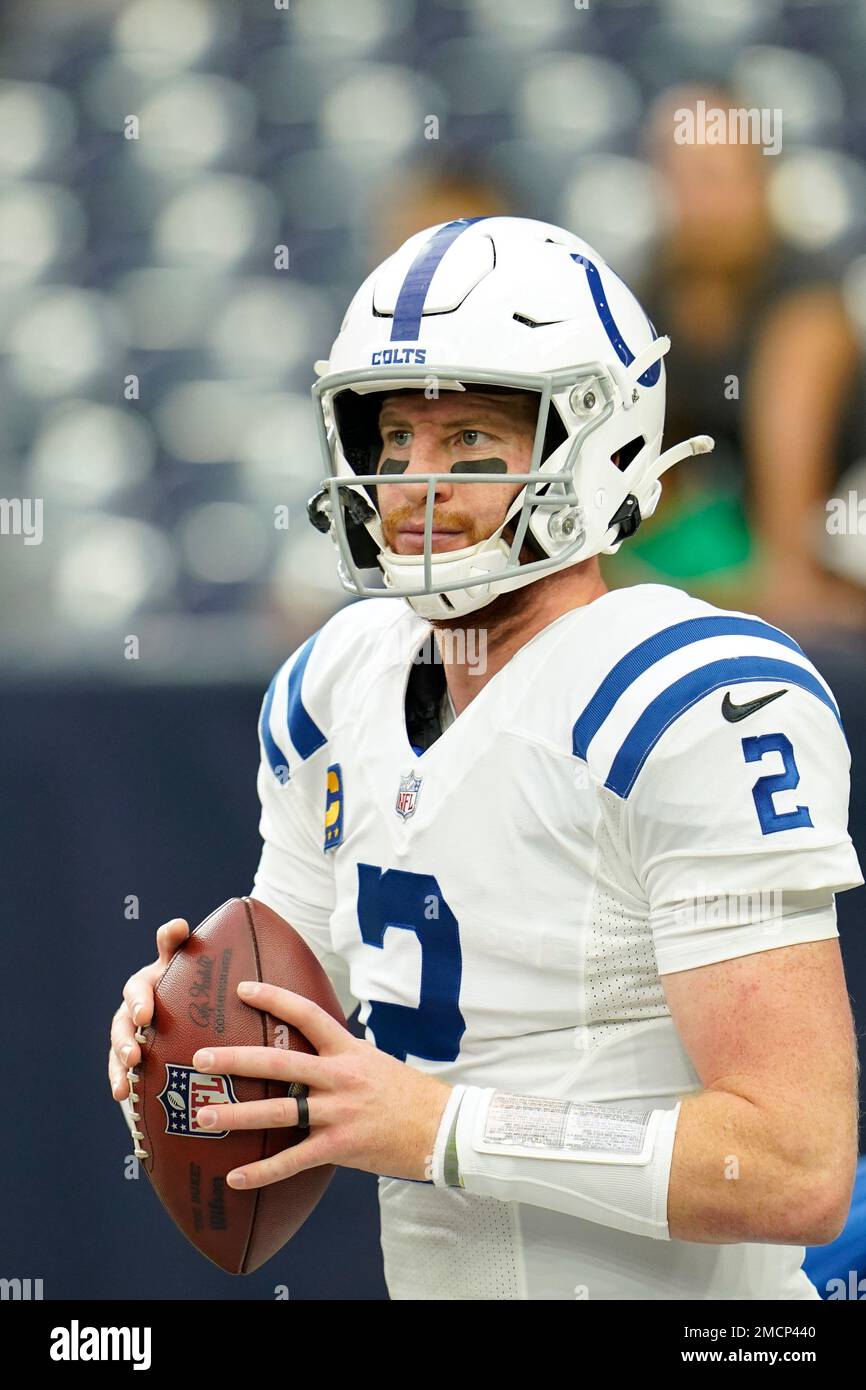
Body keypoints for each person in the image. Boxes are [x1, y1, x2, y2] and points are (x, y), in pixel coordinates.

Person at [109, 217, 864, 1300]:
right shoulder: (335, 684)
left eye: (469, 444)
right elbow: (288, 1016)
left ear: (596, 443)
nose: (415, 487)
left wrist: (437, 1125)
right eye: (392, 443)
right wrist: (184, 1036)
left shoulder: (686, 697)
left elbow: (793, 1165)